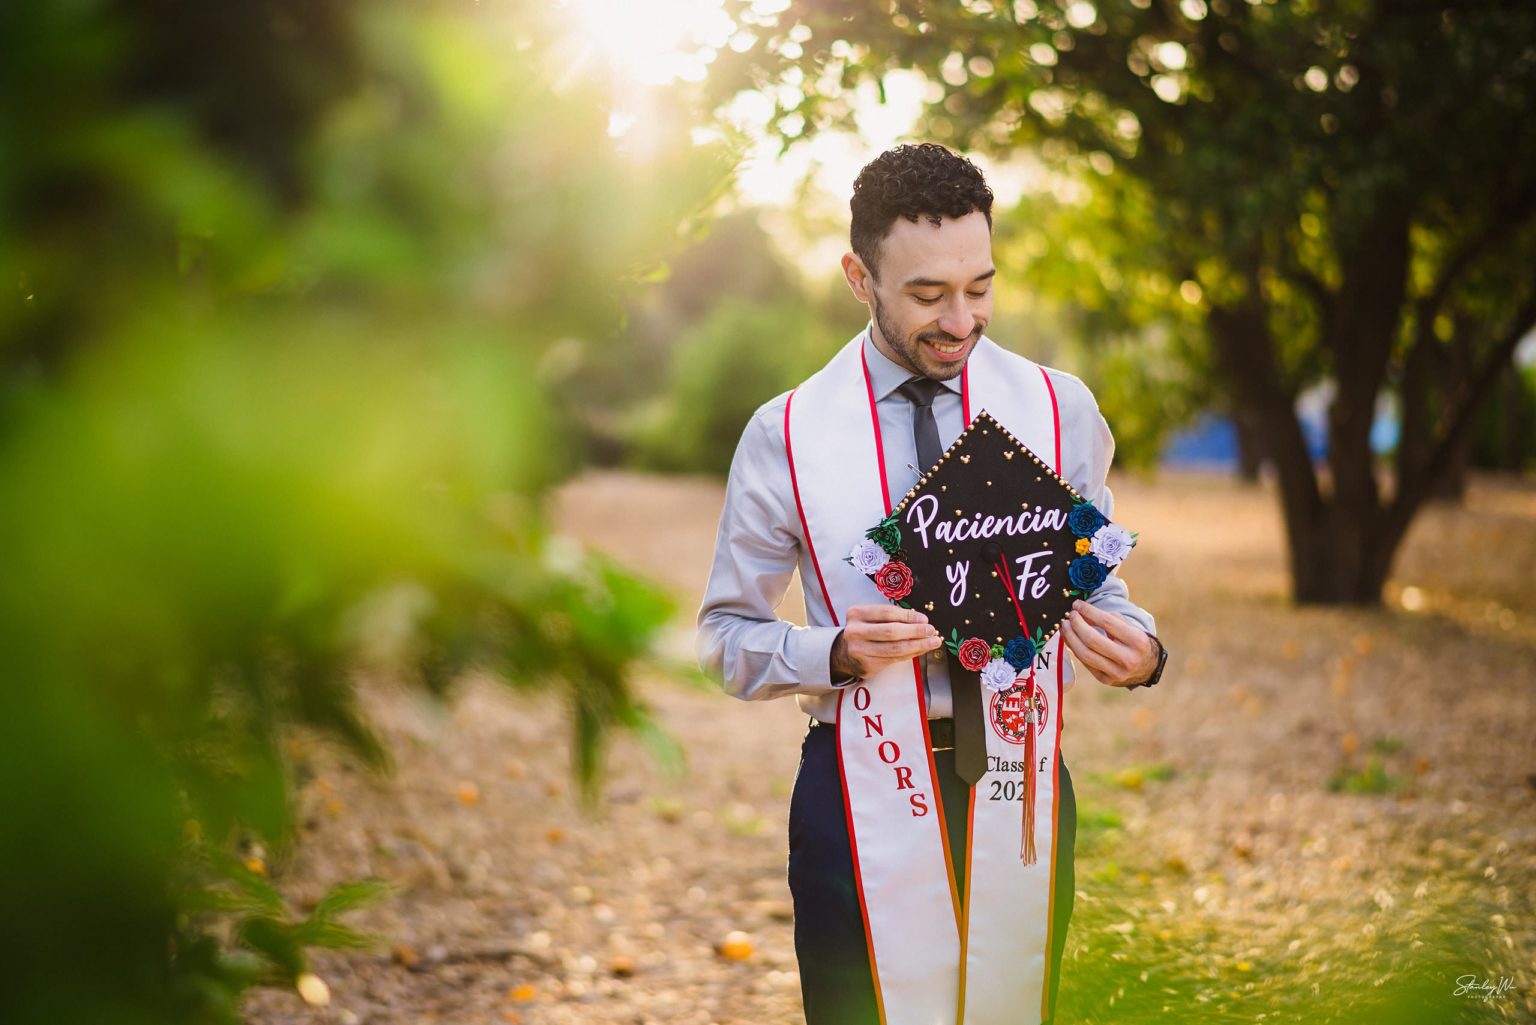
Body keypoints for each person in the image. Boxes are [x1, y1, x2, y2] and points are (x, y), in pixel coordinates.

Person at [697, 143, 1164, 1025]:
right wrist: (830, 648)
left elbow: (1097, 586)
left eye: (979, 287)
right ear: (857, 276)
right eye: (926, 295)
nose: (962, 320)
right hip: (853, 793)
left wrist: (1142, 644)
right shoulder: (785, 433)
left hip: (1023, 785)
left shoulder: (1059, 410)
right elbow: (726, 637)